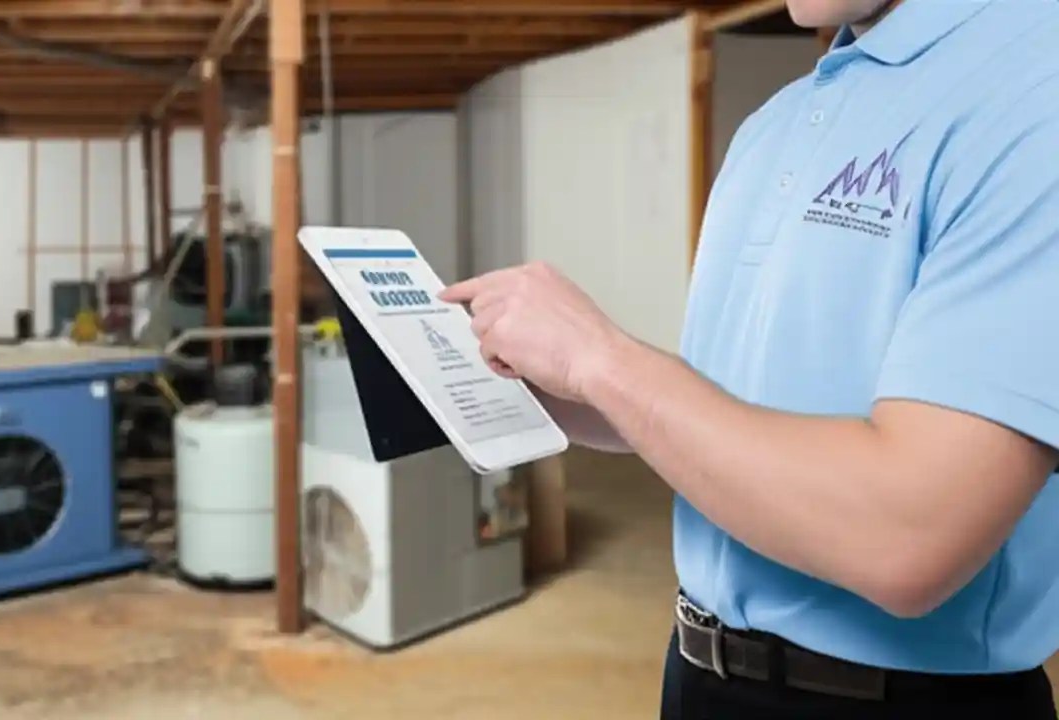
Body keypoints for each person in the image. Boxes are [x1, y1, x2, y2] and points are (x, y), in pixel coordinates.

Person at [440, 0, 1059, 717]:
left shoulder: (1033, 90)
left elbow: (910, 535)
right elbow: (725, 416)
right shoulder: (777, 123)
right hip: (698, 672)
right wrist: (523, 381)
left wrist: (600, 359)